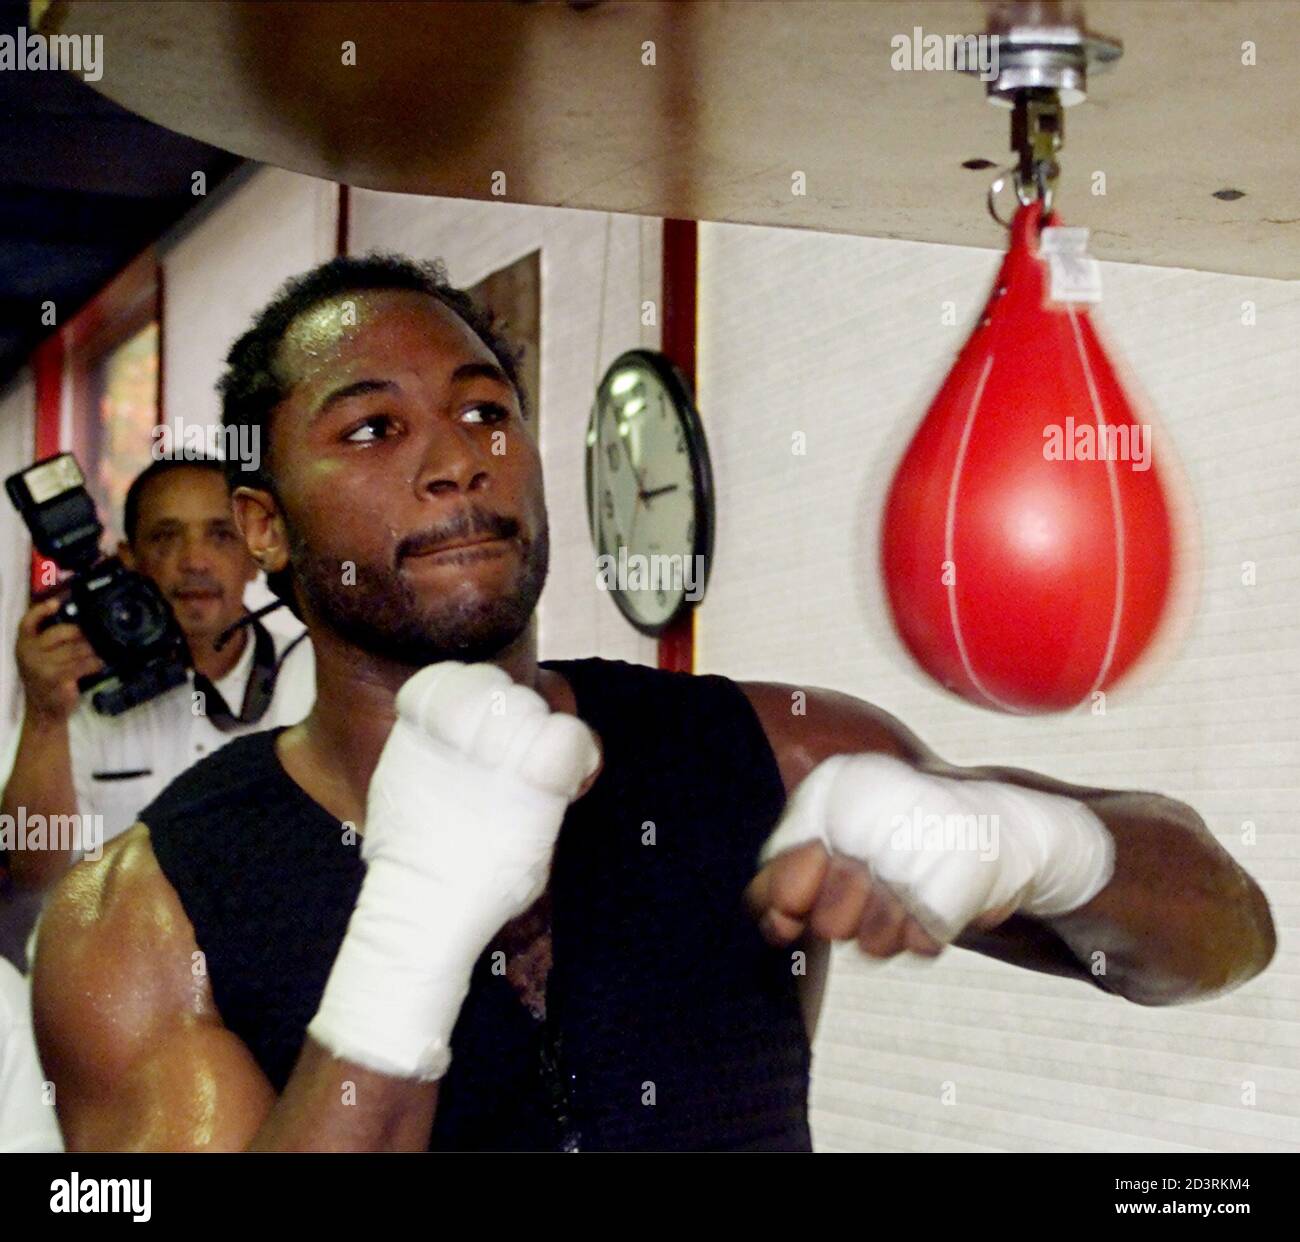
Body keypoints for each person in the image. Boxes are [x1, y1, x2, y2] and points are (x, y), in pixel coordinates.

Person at [31, 254, 1276, 1152]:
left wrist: (1038, 849)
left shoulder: (765, 748)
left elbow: (1223, 944)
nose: (456, 459)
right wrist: (405, 947)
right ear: (266, 526)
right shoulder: (147, 914)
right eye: (369, 429)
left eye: (484, 411)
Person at [0, 457, 315, 955]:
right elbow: (32, 868)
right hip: (102, 973)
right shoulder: (70, 683)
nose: (194, 560)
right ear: (129, 559)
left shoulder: (314, 674)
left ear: (254, 554)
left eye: (220, 536)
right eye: (166, 538)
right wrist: (44, 717)